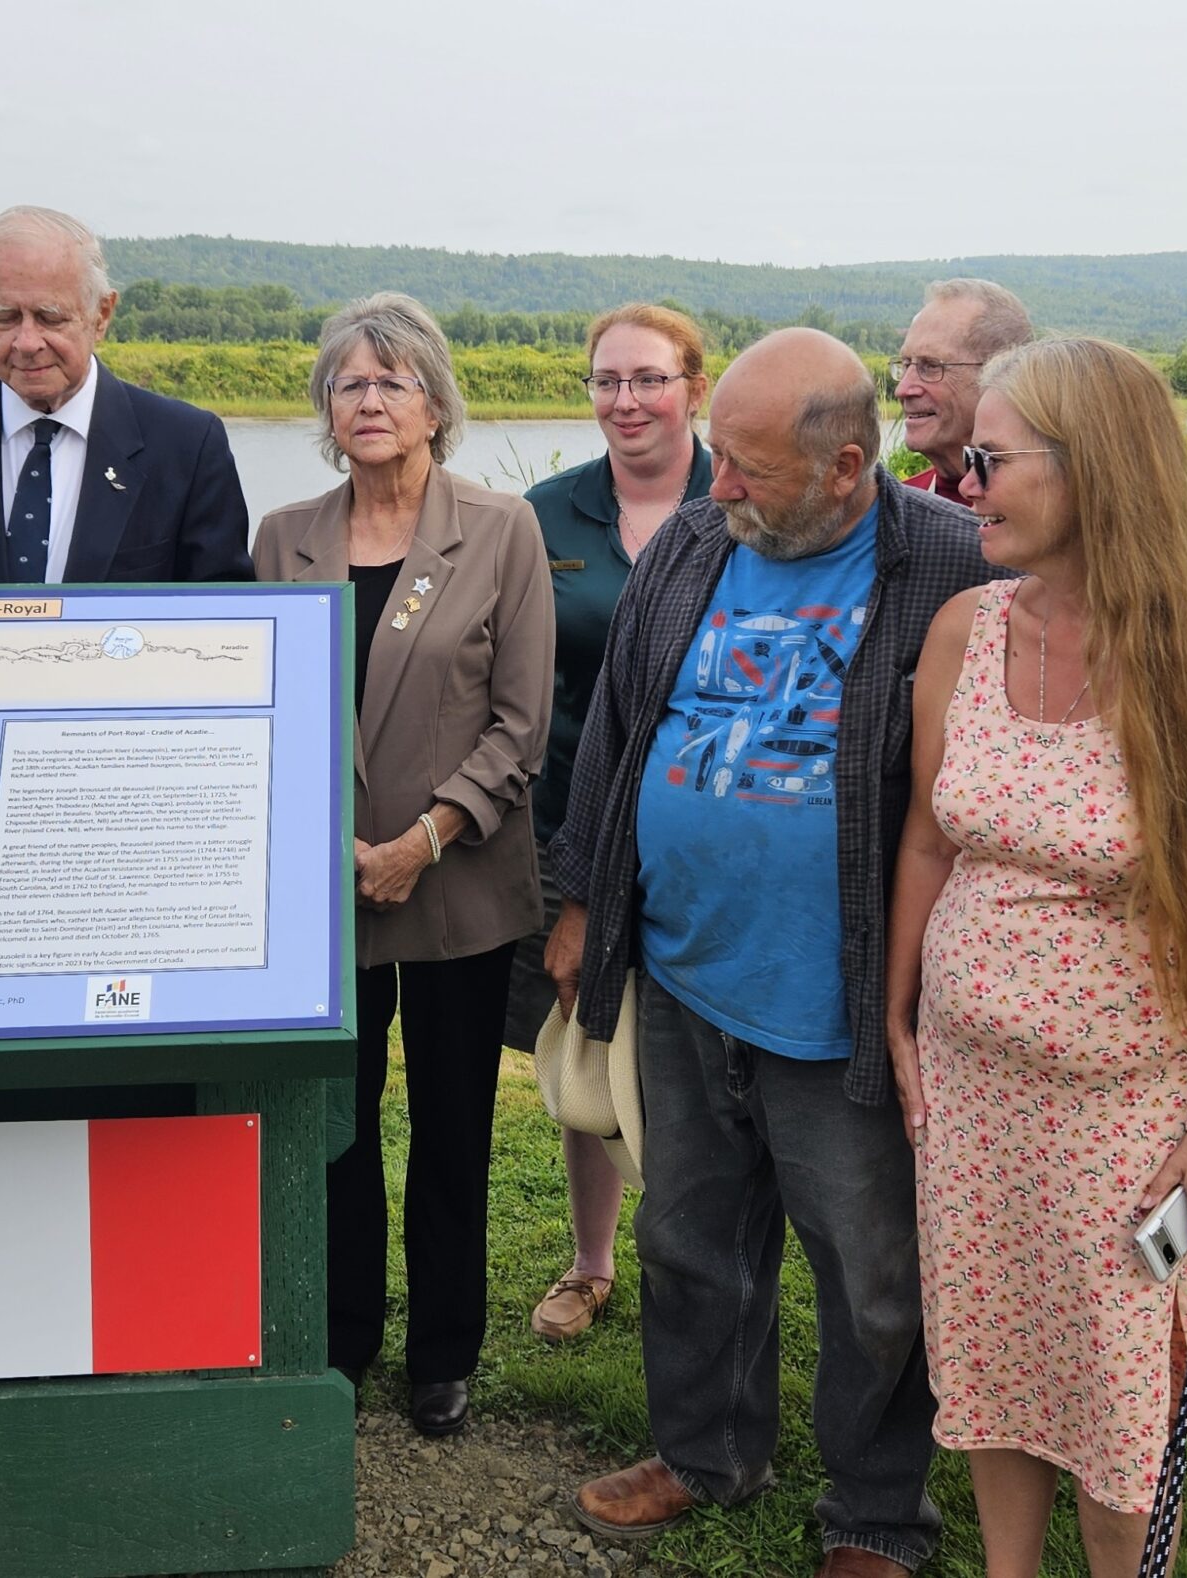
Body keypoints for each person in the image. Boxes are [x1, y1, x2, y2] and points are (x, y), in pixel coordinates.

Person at [547, 329, 1012, 1575]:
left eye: (747, 469)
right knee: (688, 1239)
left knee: (871, 1275)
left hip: (847, 997)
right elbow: (619, 729)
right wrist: (586, 896)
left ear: (847, 466)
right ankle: (705, 1453)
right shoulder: (699, 542)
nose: (716, 488)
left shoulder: (954, 567)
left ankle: (873, 1513)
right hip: (689, 971)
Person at [884, 337, 1187, 1578]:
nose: (962, 484)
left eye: (990, 460)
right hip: (969, 1091)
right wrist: (899, 1018)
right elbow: (925, 836)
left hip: (1133, 1113)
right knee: (993, 1360)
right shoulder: (965, 628)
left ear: (1095, 473)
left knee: (1127, 1390)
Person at [253, 293, 551, 1438]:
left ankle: (442, 1350)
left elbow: (519, 726)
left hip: (455, 891)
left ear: (436, 402)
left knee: (451, 1123)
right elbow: (265, 703)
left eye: (393, 381)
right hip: (323, 891)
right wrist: (331, 848)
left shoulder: (500, 528)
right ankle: (340, 1333)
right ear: (325, 408)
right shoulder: (282, 536)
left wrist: (422, 839)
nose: (368, 400)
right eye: (348, 382)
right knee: (335, 1120)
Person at [507, 304, 712, 1343]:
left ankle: (693, 1257)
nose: (624, 401)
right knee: (579, 1029)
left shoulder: (746, 503)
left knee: (689, 1053)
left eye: (648, 379)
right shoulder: (542, 516)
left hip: (699, 829)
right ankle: (590, 1265)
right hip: (566, 822)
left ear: (694, 389)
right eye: (604, 381)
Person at [0, 206, 252, 587]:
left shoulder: (186, 447)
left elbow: (226, 622)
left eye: (50, 318)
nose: (27, 342)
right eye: (5, 318)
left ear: (101, 315)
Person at [891, 279, 1031, 495]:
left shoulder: (1051, 507)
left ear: (1001, 372)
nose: (902, 390)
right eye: (906, 364)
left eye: (931, 366)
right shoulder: (896, 509)